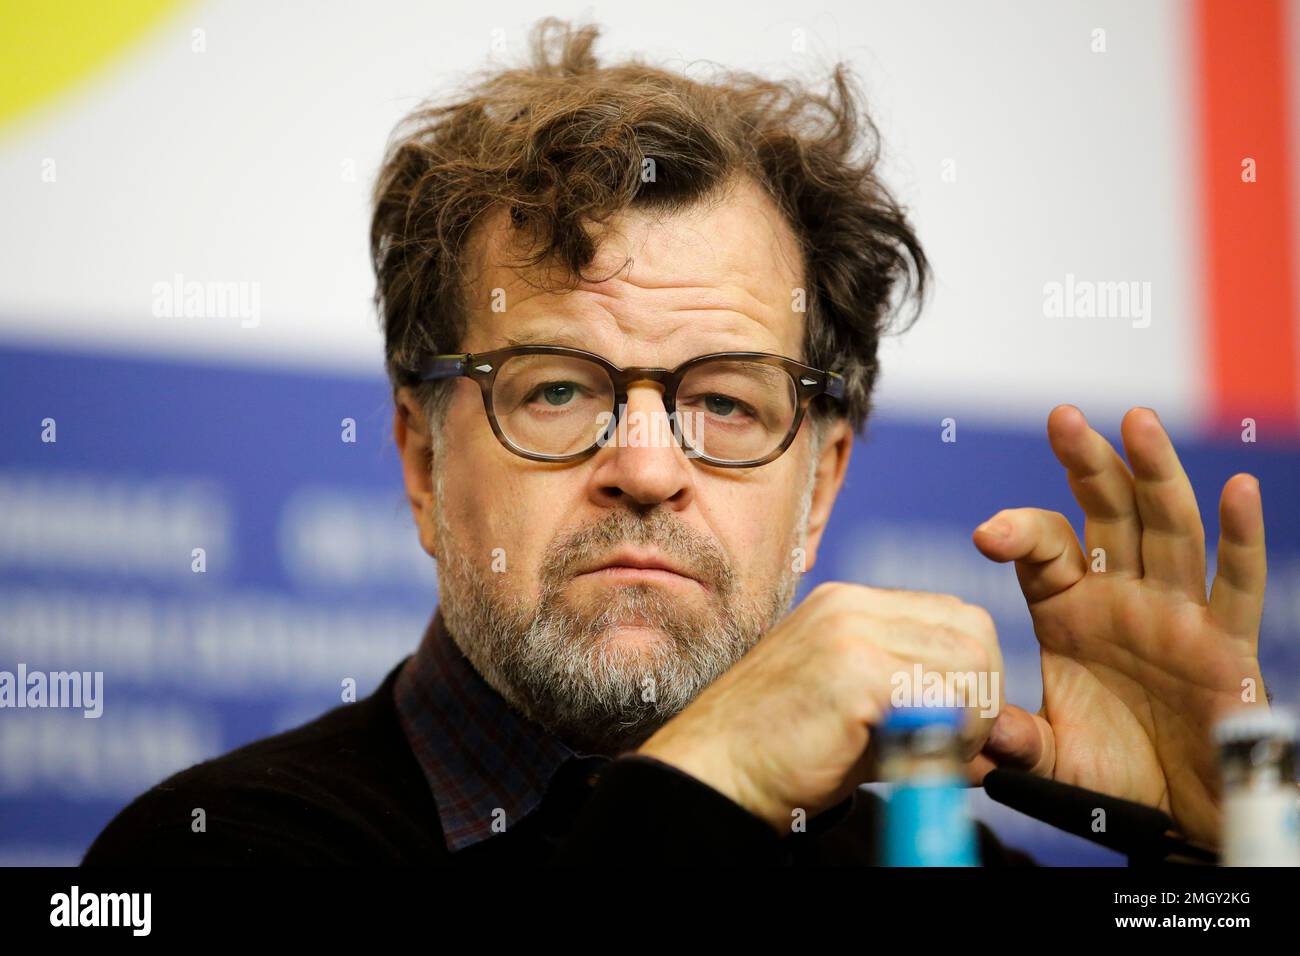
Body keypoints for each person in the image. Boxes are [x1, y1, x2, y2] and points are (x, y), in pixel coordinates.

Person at [83, 17, 1270, 866]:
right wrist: (703, 787)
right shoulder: (216, 848)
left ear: (818, 489)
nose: (648, 466)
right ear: (421, 461)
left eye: (727, 404)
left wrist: (1210, 859)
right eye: (554, 390)